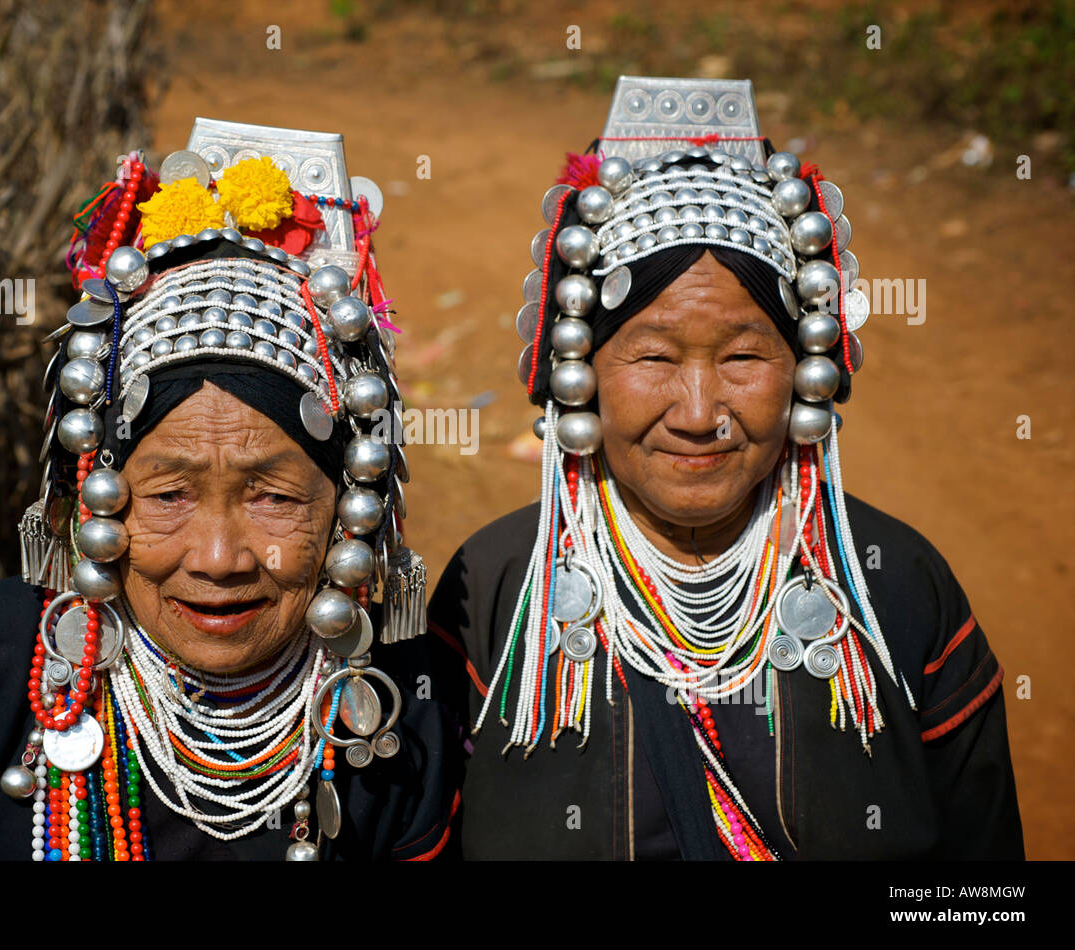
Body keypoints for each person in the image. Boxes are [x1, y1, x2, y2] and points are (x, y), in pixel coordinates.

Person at [428, 76, 1024, 860]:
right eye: (654, 356)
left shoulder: (896, 590)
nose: (700, 412)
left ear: (805, 366)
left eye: (744, 355)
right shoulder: (499, 594)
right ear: (583, 367)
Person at [0, 119, 458, 861]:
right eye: (169, 495)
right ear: (96, 487)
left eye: (274, 498)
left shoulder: (389, 715)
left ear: (349, 511)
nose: (219, 558)